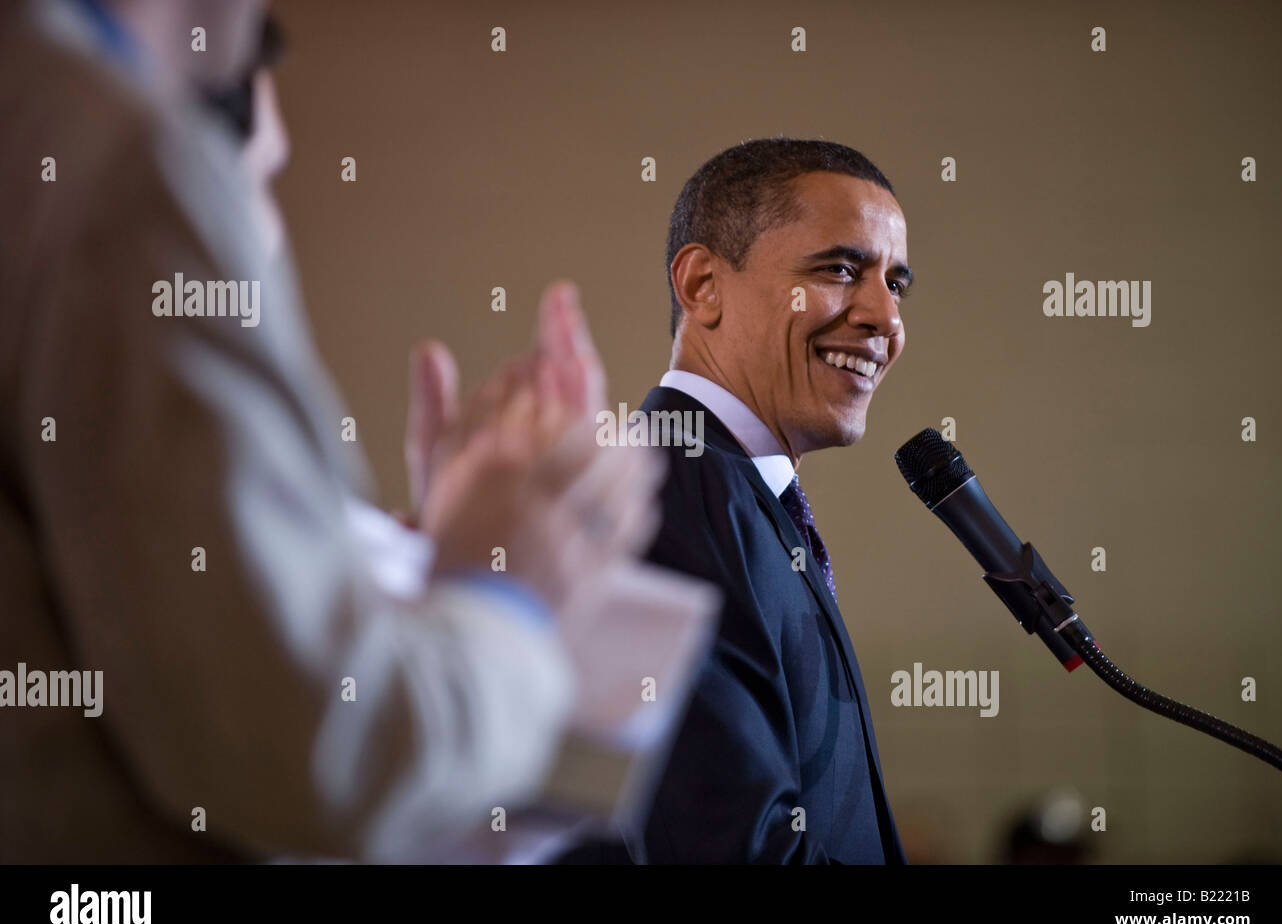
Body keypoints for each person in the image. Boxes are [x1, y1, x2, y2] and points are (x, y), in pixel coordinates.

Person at [0, 0, 662, 862]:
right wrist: (510, 589)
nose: (249, 236)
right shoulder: (121, 159)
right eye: (251, 184)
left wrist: (431, 567)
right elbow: (314, 751)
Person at [569, 138, 912, 863]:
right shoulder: (676, 481)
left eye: (897, 284)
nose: (886, 317)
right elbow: (732, 849)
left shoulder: (731, 489)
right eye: (842, 269)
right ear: (701, 286)